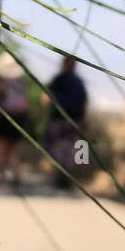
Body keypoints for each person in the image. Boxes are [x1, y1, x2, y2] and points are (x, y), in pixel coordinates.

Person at [0, 52, 30, 188]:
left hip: (5, 116)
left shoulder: (2, 82)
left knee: (0, 146)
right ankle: (16, 174)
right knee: (13, 147)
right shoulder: (21, 82)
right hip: (20, 117)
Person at [44, 55, 88, 189]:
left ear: (63, 64)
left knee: (52, 145)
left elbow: (45, 99)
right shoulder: (79, 82)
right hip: (75, 121)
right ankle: (65, 175)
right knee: (70, 149)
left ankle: (60, 174)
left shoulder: (58, 79)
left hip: (58, 120)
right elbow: (85, 102)